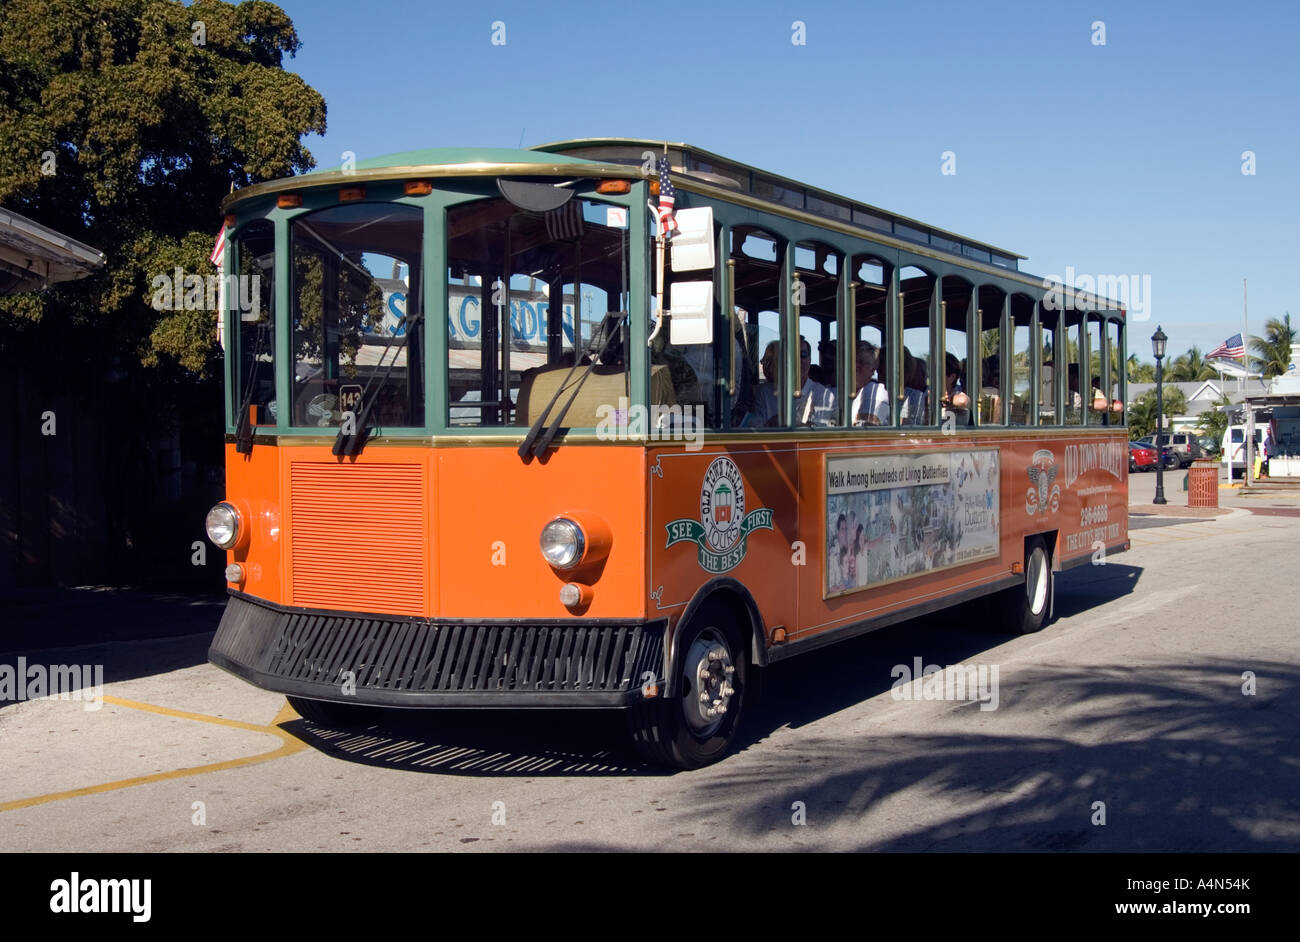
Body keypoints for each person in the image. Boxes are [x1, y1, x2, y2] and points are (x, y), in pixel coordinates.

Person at [852, 341, 891, 426]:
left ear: (873, 370)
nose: (856, 366)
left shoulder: (877, 392)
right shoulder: (837, 391)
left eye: (862, 363)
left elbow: (863, 431)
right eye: (853, 361)